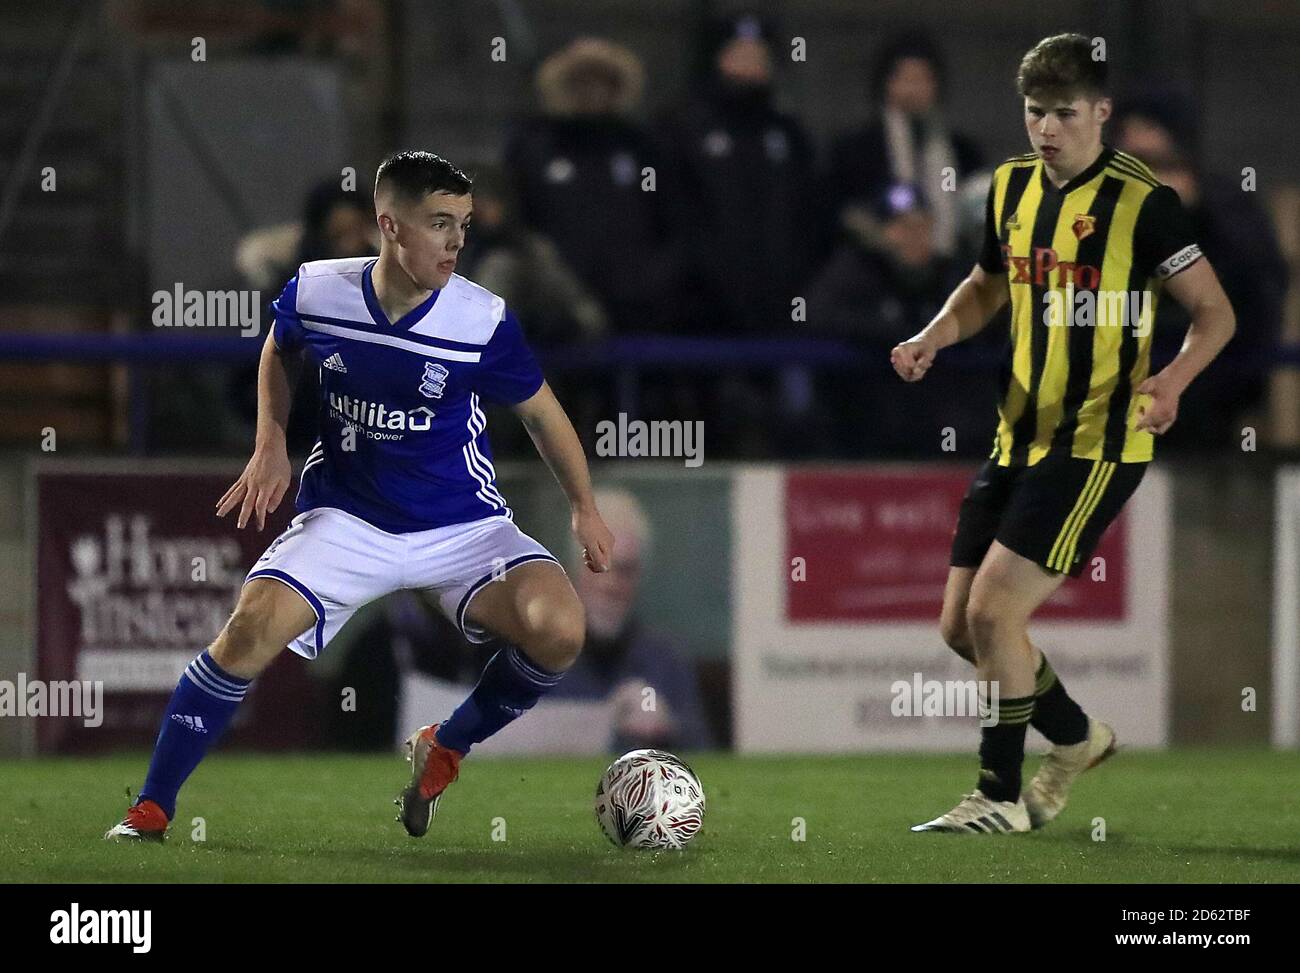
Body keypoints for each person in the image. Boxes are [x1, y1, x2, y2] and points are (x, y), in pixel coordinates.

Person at [106, 150, 615, 842]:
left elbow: (542, 412)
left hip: (462, 524)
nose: (457, 241)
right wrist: (270, 441)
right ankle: (151, 810)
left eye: (463, 224)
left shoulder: (479, 319)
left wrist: (584, 505)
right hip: (349, 516)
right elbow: (279, 349)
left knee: (560, 630)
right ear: (389, 225)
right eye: (439, 223)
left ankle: (448, 746)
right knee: (247, 632)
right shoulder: (320, 290)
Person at [891, 35, 1236, 833]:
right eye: (1036, 112)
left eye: (1065, 113)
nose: (1047, 128)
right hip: (1018, 436)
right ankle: (1077, 737)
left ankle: (999, 795)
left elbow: (1216, 312)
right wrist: (933, 336)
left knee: (995, 615)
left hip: (1098, 442)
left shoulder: (1143, 203)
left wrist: (1173, 381)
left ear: (1101, 113)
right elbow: (985, 286)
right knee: (958, 627)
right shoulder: (1010, 187)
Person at [549, 488, 715, 752]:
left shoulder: (667, 661)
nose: (610, 585)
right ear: (573, 571)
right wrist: (605, 722)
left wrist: (666, 730)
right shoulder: (535, 659)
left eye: (624, 570)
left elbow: (704, 760)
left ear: (640, 576)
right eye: (596, 565)